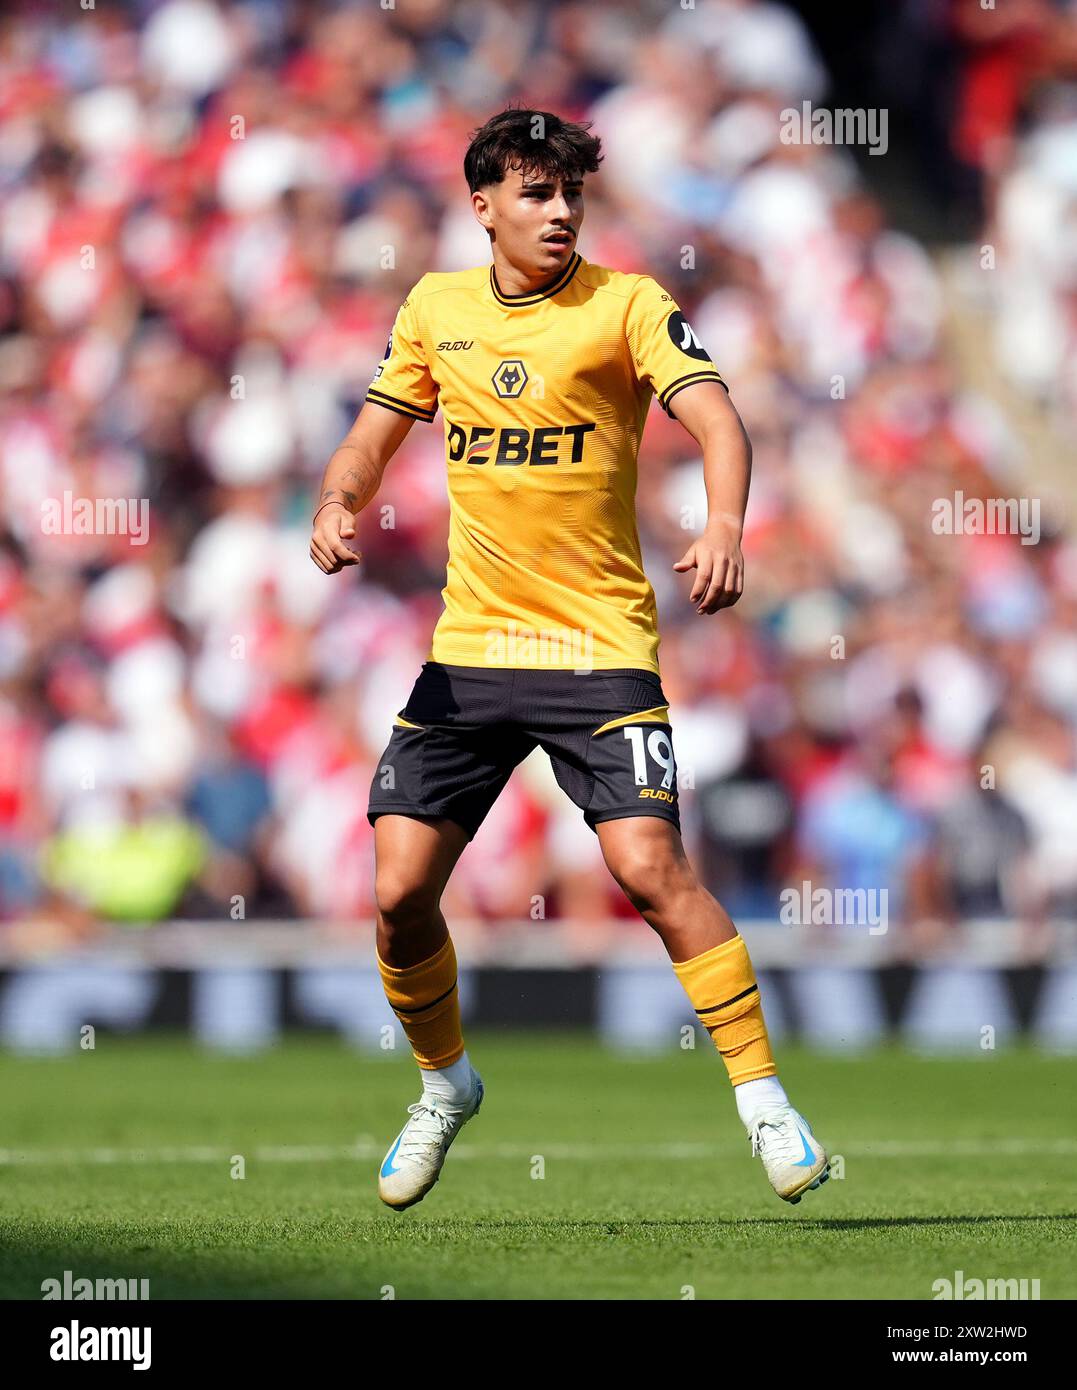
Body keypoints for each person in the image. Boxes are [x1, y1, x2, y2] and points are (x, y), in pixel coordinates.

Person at [310, 108, 829, 1211]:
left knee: (650, 869)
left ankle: (766, 1103)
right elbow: (371, 434)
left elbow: (721, 423)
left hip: (598, 649)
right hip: (471, 655)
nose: (559, 213)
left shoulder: (629, 305)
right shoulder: (435, 309)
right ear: (484, 204)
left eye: (571, 195)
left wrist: (726, 522)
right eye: (536, 194)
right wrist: (338, 497)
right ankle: (445, 1083)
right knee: (399, 892)